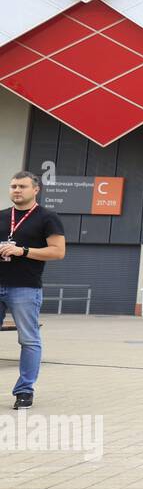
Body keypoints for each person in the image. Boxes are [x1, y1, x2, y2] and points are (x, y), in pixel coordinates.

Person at [1, 171, 66, 409]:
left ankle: (24, 391)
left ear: (35, 189)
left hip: (25, 288)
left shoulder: (47, 217)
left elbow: (58, 252)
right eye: (13, 186)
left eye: (22, 186)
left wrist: (23, 251)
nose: (16, 190)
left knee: (28, 340)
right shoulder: (2, 216)